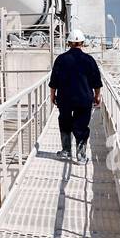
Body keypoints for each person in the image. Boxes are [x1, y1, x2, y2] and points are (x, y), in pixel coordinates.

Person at [48, 29, 103, 162]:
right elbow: (96, 81)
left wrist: (52, 96)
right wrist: (97, 96)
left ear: (69, 43)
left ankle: (66, 151)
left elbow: (53, 81)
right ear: (82, 43)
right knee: (82, 125)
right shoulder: (89, 60)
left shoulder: (61, 59)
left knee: (65, 121)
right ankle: (81, 155)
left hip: (65, 98)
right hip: (84, 98)